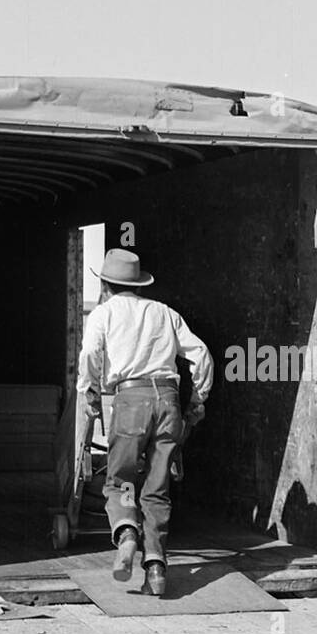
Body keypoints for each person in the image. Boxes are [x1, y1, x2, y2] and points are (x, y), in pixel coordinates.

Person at [77, 249, 214, 597]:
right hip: (168, 400)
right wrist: (196, 401)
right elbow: (202, 356)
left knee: (121, 477)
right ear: (138, 285)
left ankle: (126, 534)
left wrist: (89, 391)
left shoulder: (103, 313)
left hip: (131, 402)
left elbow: (90, 353)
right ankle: (155, 568)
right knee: (157, 486)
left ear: (105, 284)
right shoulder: (165, 313)